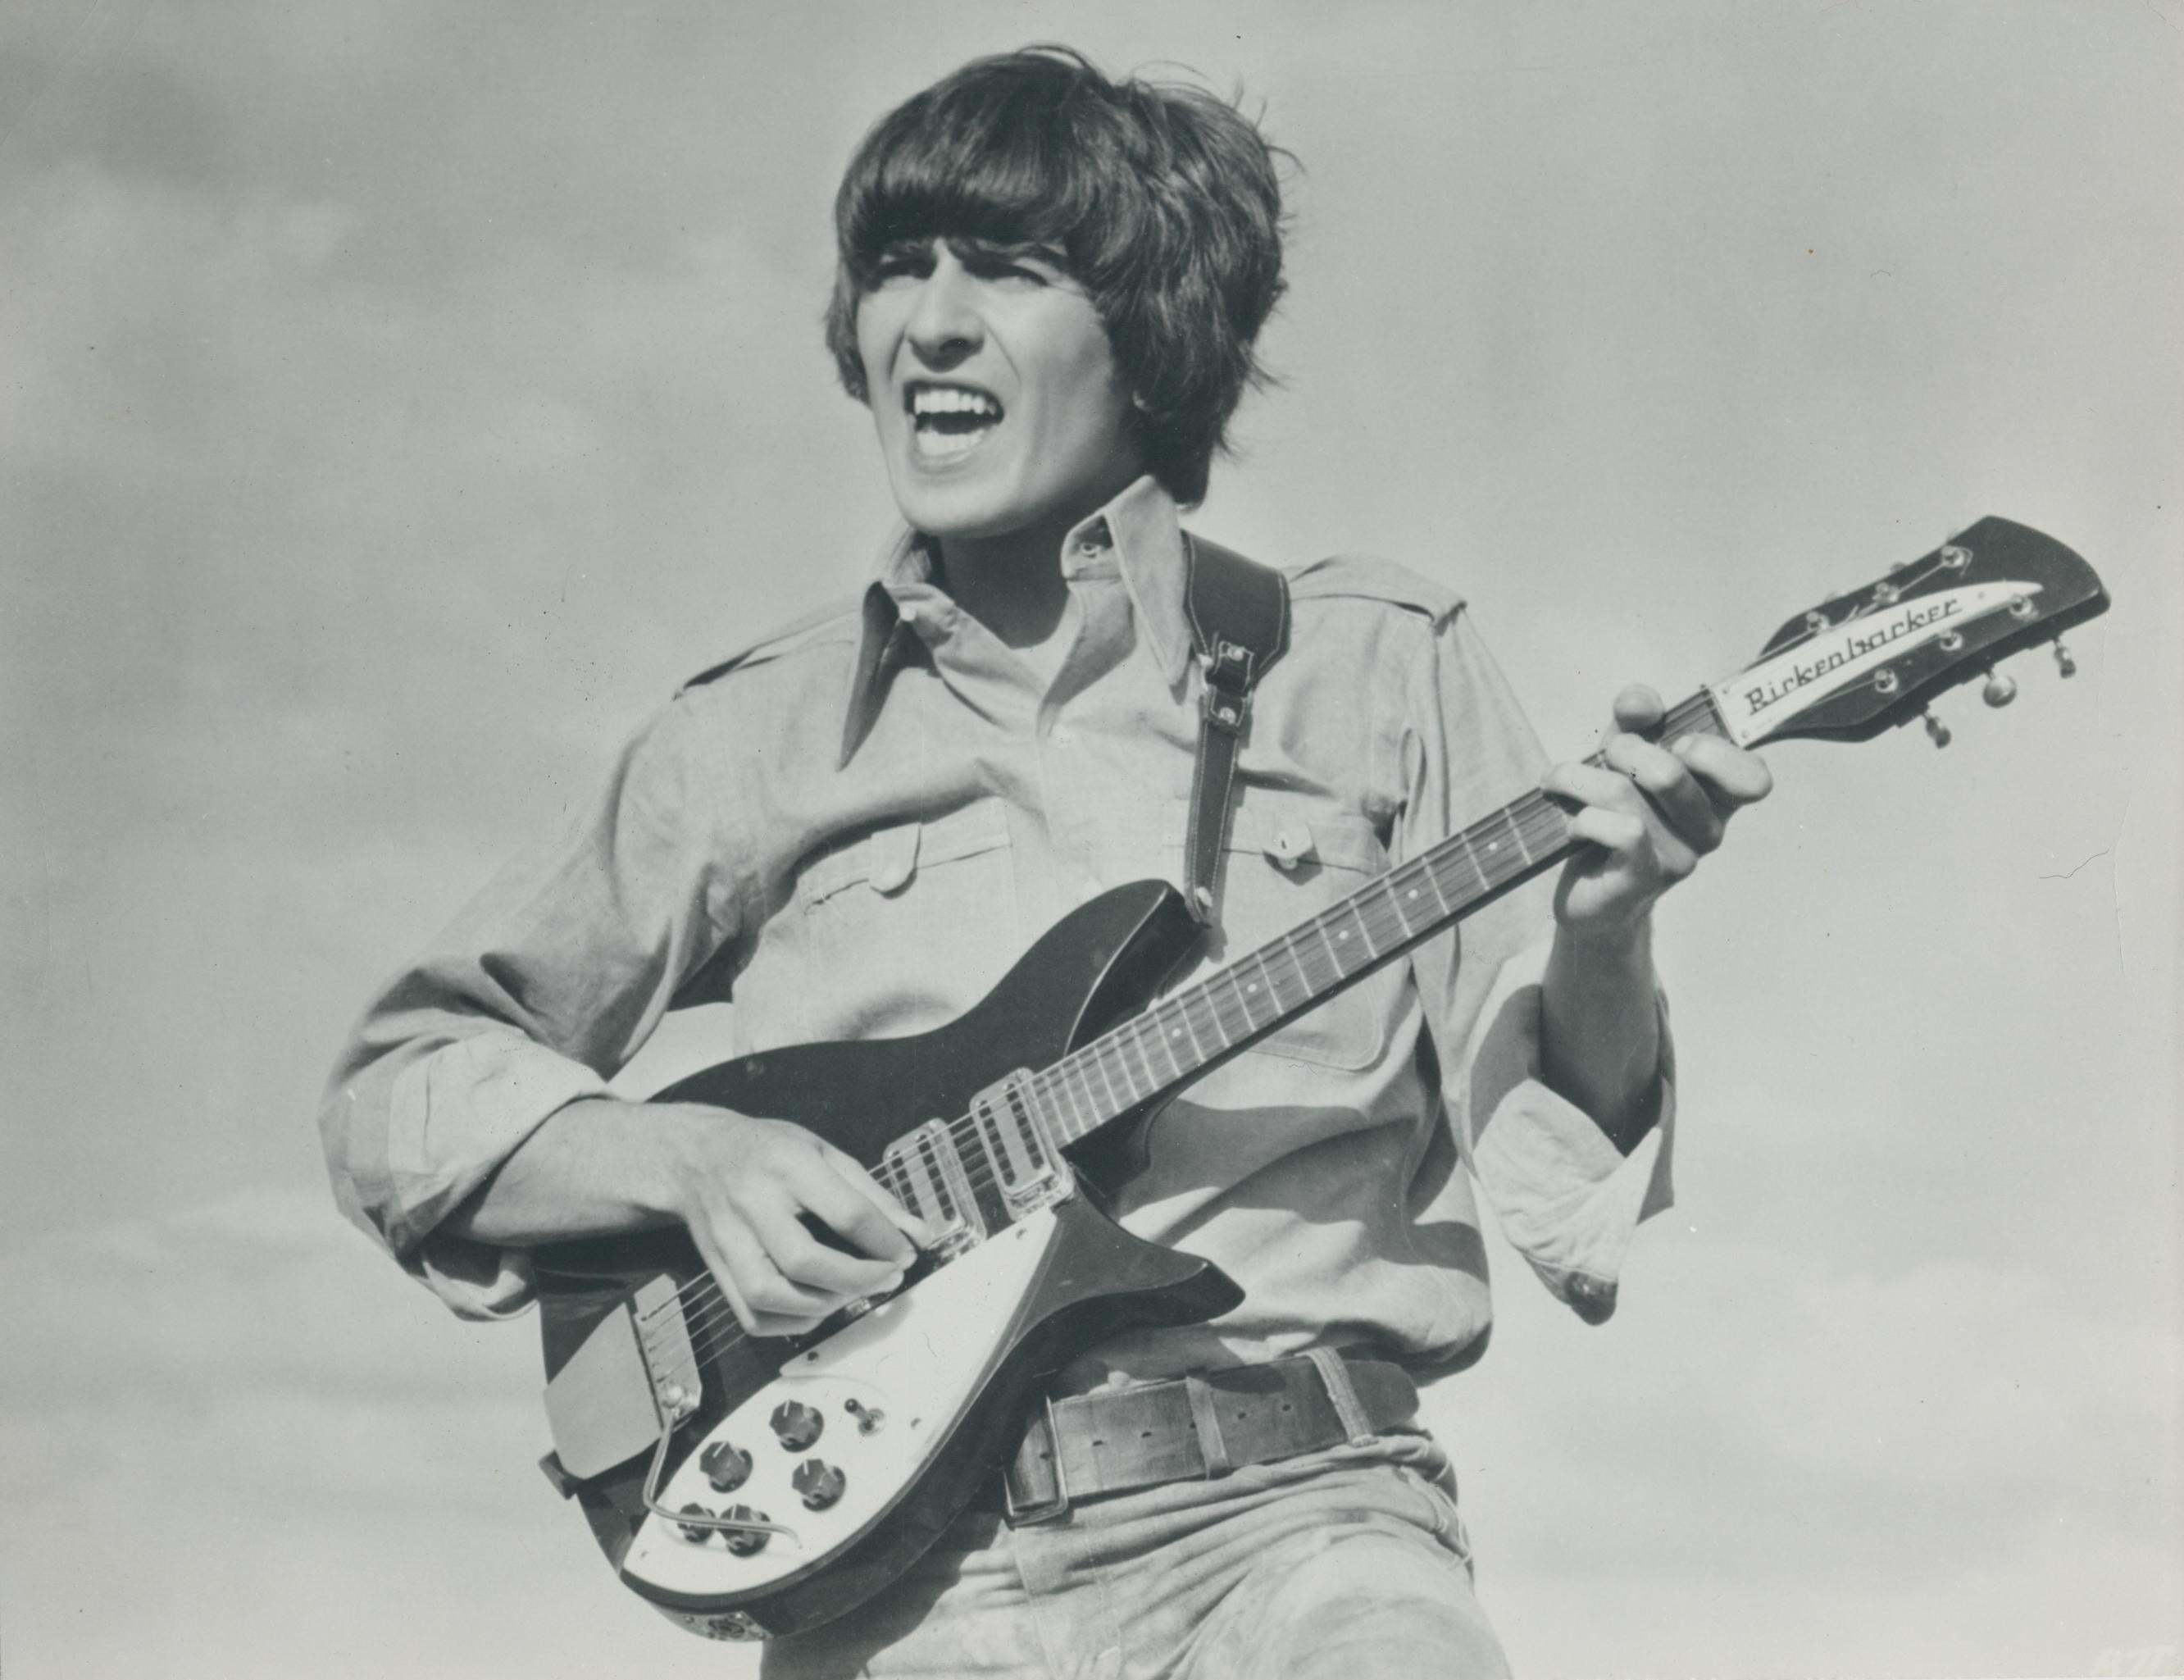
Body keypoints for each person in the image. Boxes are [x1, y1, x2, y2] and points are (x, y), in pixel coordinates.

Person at [320, 45, 1772, 1679]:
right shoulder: (748, 738)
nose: (927, 322)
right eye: (892, 269)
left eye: (1005, 271)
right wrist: (689, 1169)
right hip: (907, 1584)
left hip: (1304, 1527)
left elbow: (1565, 1201)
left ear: (1151, 336)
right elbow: (405, 1086)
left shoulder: (1378, 662)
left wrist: (1604, 928)